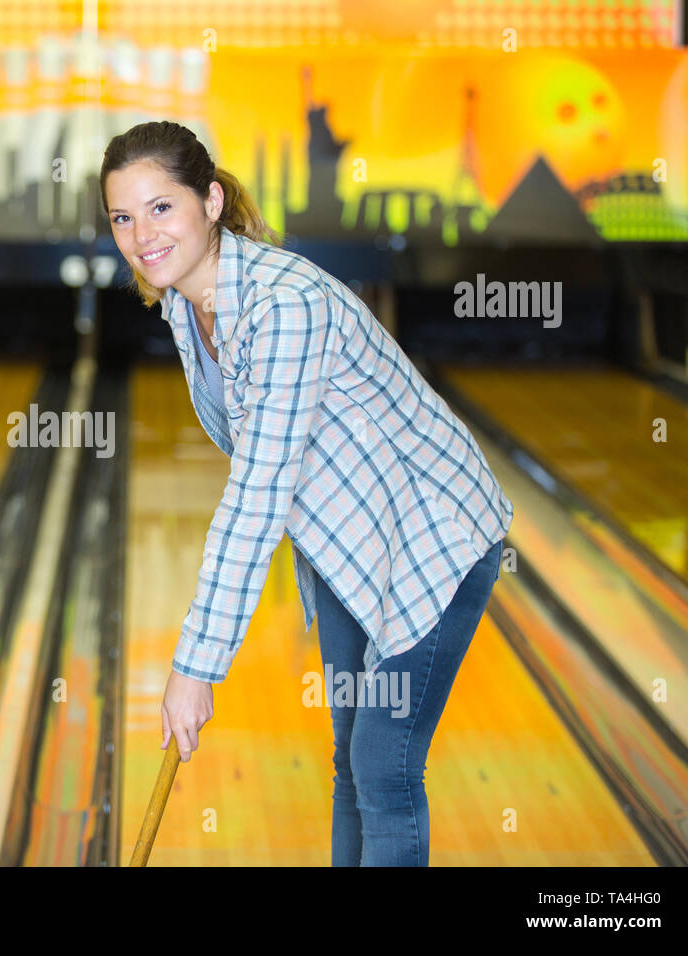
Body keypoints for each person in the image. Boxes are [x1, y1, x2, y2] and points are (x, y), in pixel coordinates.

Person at [100, 121, 513, 866]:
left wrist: (197, 666)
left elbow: (258, 492)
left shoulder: (285, 305)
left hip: (434, 535)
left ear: (212, 201)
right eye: (123, 218)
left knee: (382, 766)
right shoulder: (188, 307)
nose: (141, 234)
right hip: (352, 545)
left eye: (161, 208)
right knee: (350, 762)